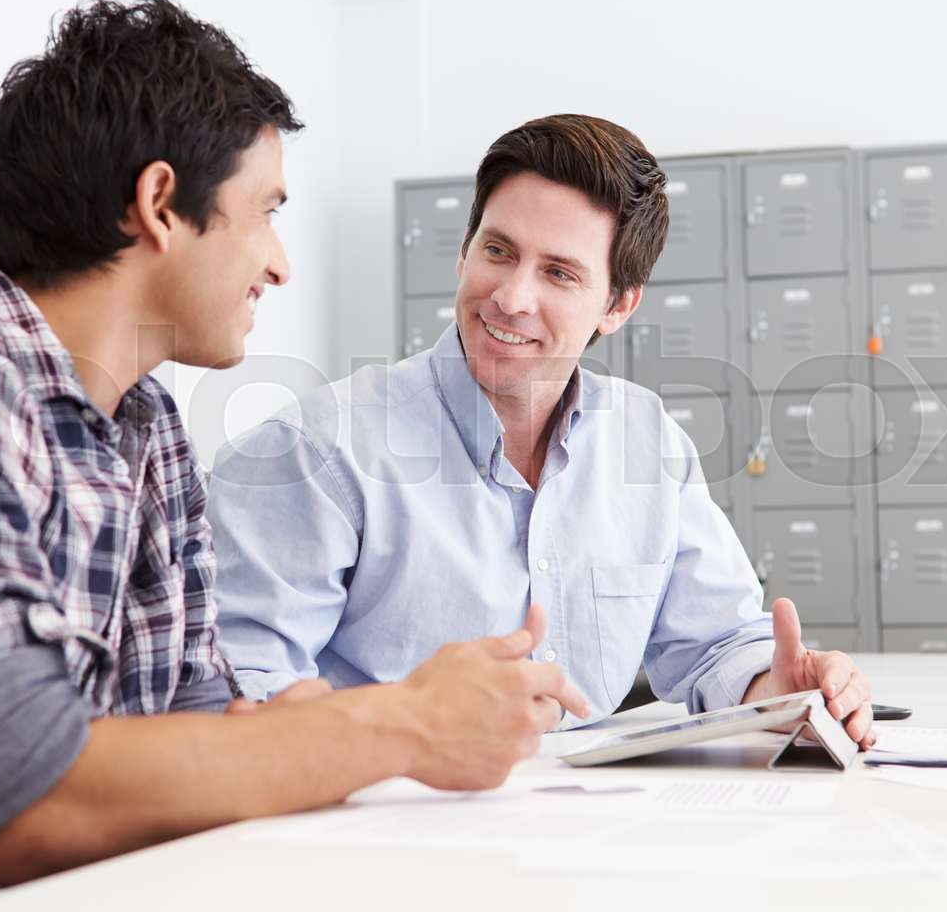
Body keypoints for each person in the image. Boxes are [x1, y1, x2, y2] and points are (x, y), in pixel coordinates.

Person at [0, 0, 588, 912]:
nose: (279, 263)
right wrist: (401, 722)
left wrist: (292, 731)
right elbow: (30, 797)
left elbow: (199, 735)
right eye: (264, 212)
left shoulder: (145, 431)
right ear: (159, 205)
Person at [208, 114, 876, 742]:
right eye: (498, 251)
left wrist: (775, 687)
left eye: (558, 272)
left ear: (617, 305)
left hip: (584, 832)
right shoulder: (316, 449)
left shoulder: (647, 440)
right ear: (463, 253)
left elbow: (716, 643)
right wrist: (405, 732)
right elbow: (241, 698)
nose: (511, 296)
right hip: (381, 827)